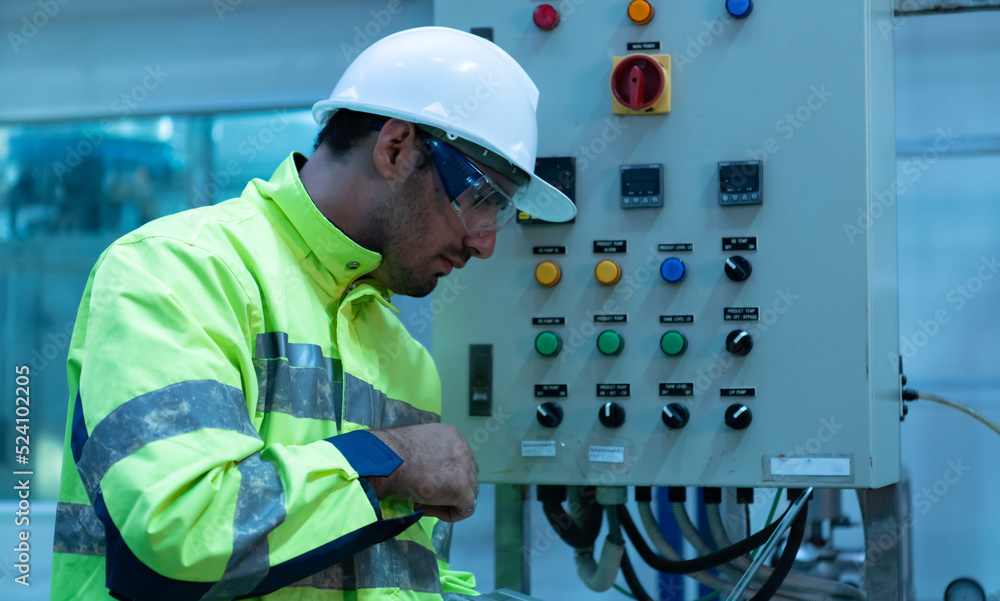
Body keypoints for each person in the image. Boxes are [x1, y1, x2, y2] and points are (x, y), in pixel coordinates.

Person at [51, 26, 575, 601]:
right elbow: (180, 535)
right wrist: (386, 459)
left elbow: (394, 574)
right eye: (482, 199)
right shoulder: (180, 271)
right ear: (395, 148)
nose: (485, 243)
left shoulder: (405, 360)